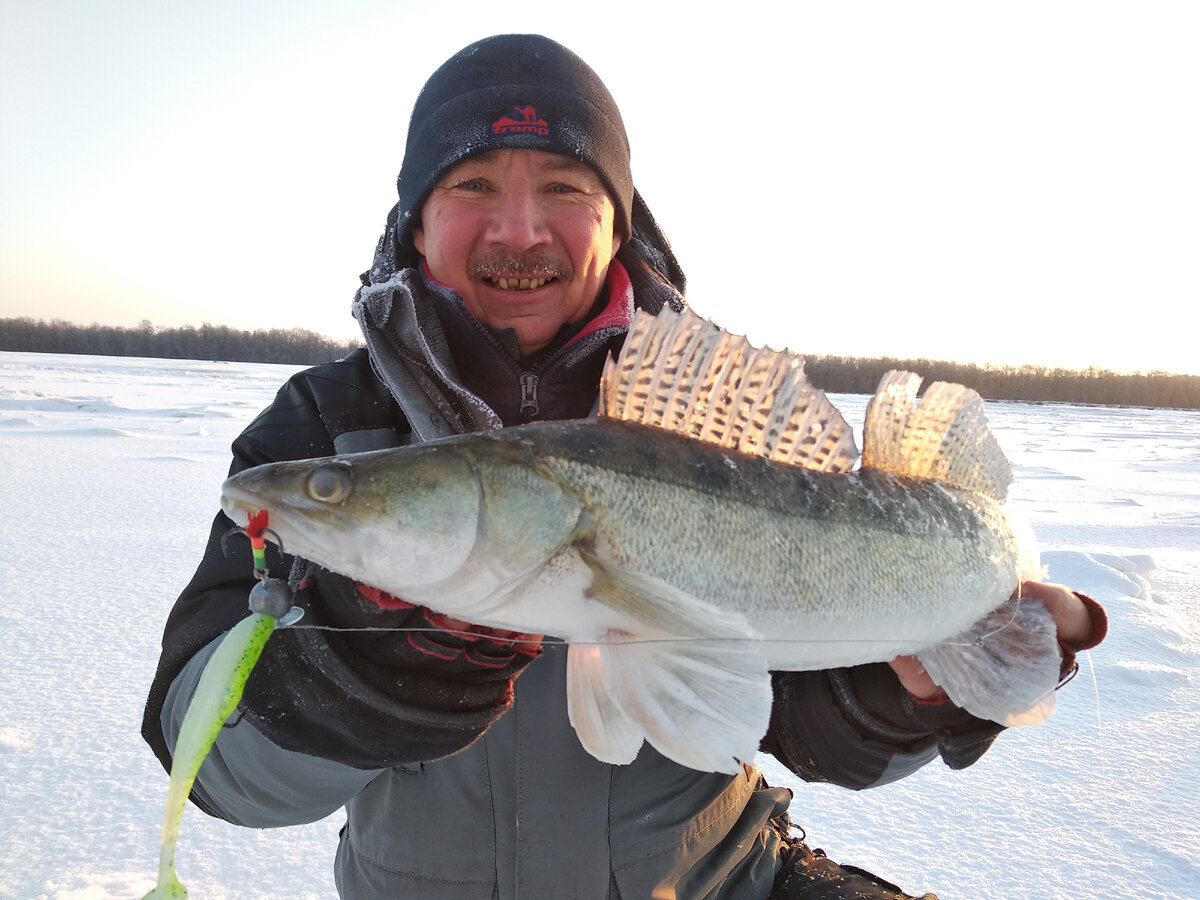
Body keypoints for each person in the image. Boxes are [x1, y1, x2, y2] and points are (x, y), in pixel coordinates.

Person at [142, 34, 1107, 899]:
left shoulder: (708, 427)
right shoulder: (322, 423)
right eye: (472, 184)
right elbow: (212, 767)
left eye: (564, 187)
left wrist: (914, 690)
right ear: (416, 220)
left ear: (616, 222)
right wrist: (363, 679)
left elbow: (804, 722)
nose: (518, 230)